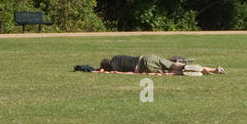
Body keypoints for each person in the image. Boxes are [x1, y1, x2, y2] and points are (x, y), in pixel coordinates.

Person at [92, 54, 225, 75]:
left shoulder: (114, 69)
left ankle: (196, 70)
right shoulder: (117, 57)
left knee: (172, 72)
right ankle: (214, 69)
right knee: (172, 65)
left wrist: (99, 71)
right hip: (147, 57)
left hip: (143, 68)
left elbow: (127, 72)